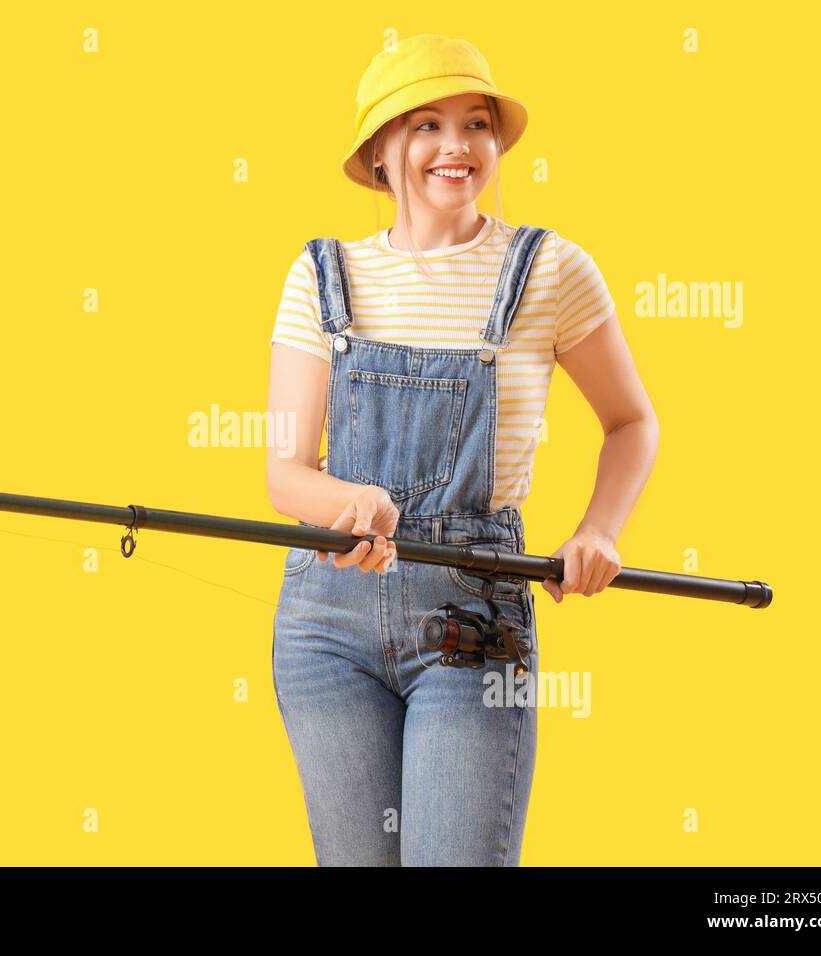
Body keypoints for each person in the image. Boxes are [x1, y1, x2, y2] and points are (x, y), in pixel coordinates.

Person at [265, 34, 660, 866]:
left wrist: (598, 532)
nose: (456, 148)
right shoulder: (320, 276)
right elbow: (283, 471)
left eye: (476, 124)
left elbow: (632, 422)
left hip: (473, 617)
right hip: (325, 628)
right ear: (380, 151)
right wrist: (347, 503)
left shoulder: (551, 270)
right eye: (425, 126)